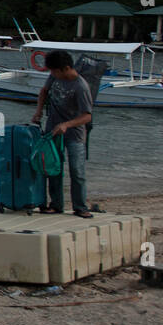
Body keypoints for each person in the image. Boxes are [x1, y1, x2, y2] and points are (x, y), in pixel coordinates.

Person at [31, 50, 94, 217]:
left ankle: (80, 207)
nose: (52, 74)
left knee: (77, 171)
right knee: (53, 168)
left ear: (66, 68)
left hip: (75, 134)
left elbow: (87, 116)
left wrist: (67, 124)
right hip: (53, 130)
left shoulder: (80, 86)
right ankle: (56, 204)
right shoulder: (54, 76)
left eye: (54, 71)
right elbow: (44, 91)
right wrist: (38, 112)